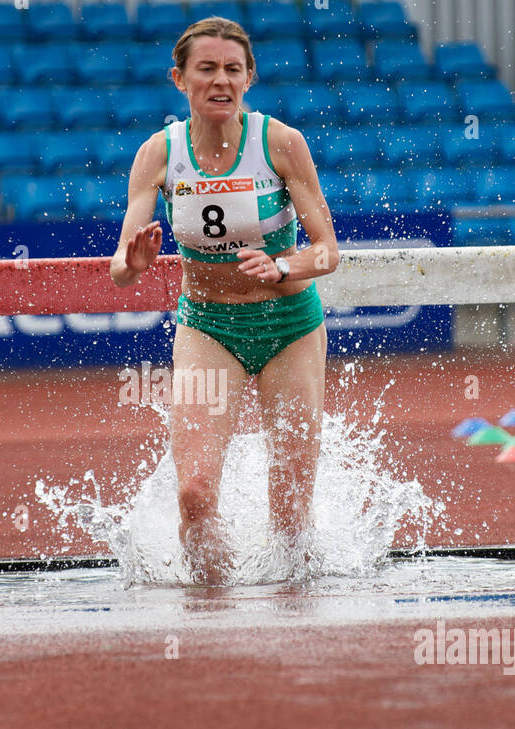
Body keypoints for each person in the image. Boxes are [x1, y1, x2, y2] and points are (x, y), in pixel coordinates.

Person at [110, 17, 341, 583]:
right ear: (180, 79)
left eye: (232, 70)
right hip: (210, 329)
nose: (221, 81)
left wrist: (284, 264)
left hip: (290, 326)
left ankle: (291, 624)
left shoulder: (282, 143)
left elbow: (328, 251)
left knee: (289, 514)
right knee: (193, 491)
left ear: (249, 78)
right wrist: (132, 265)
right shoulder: (158, 154)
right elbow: (119, 267)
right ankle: (210, 613)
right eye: (207, 69)